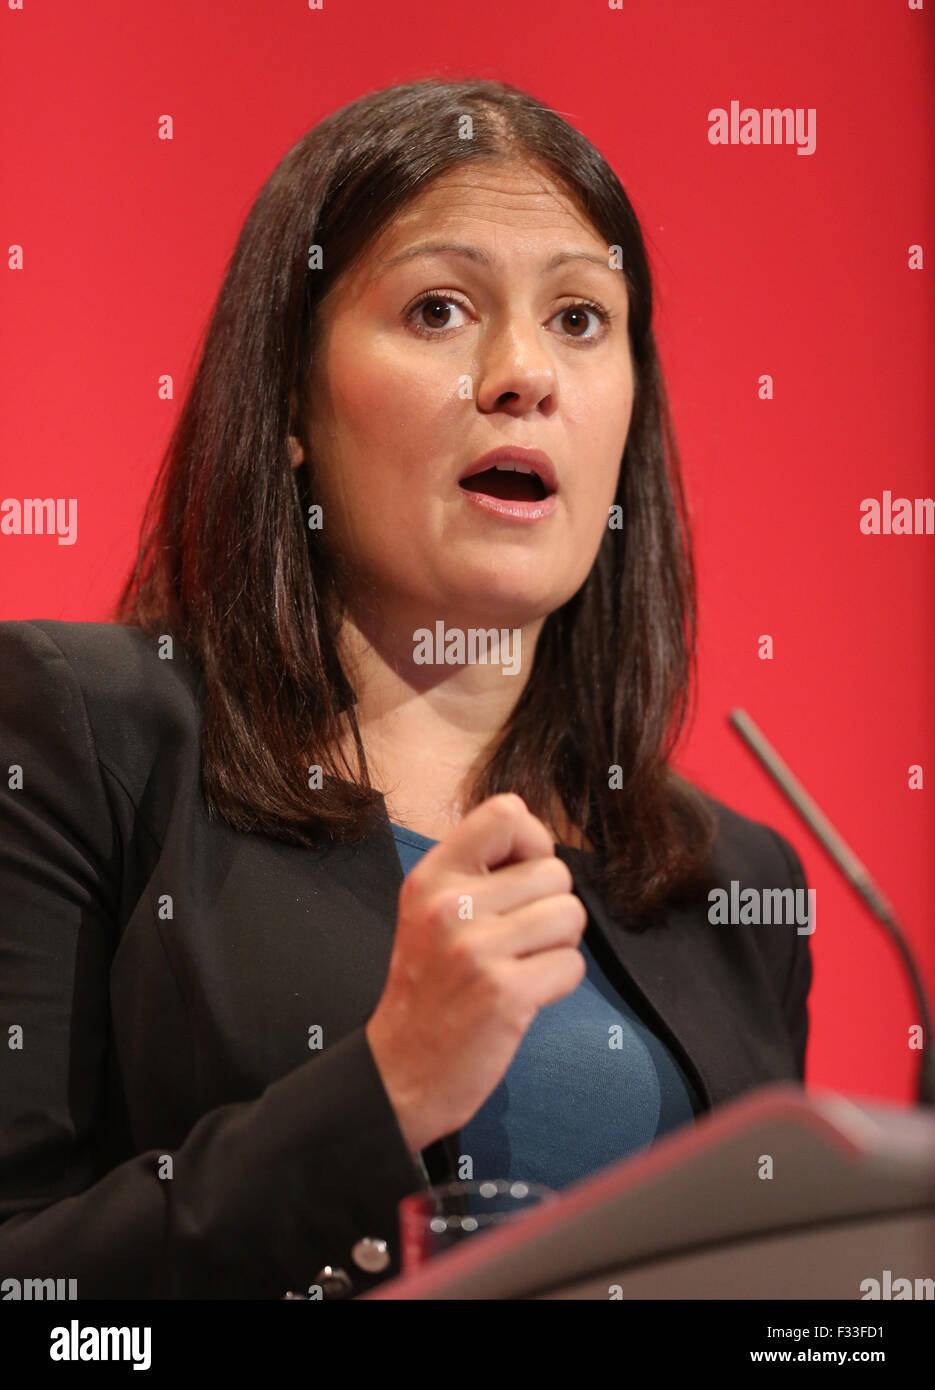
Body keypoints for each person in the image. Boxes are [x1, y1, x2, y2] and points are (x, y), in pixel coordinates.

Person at [0, 76, 812, 1301]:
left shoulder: (731, 885)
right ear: (288, 398)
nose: (522, 373)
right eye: (439, 308)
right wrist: (380, 1091)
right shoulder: (82, 735)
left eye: (582, 320)